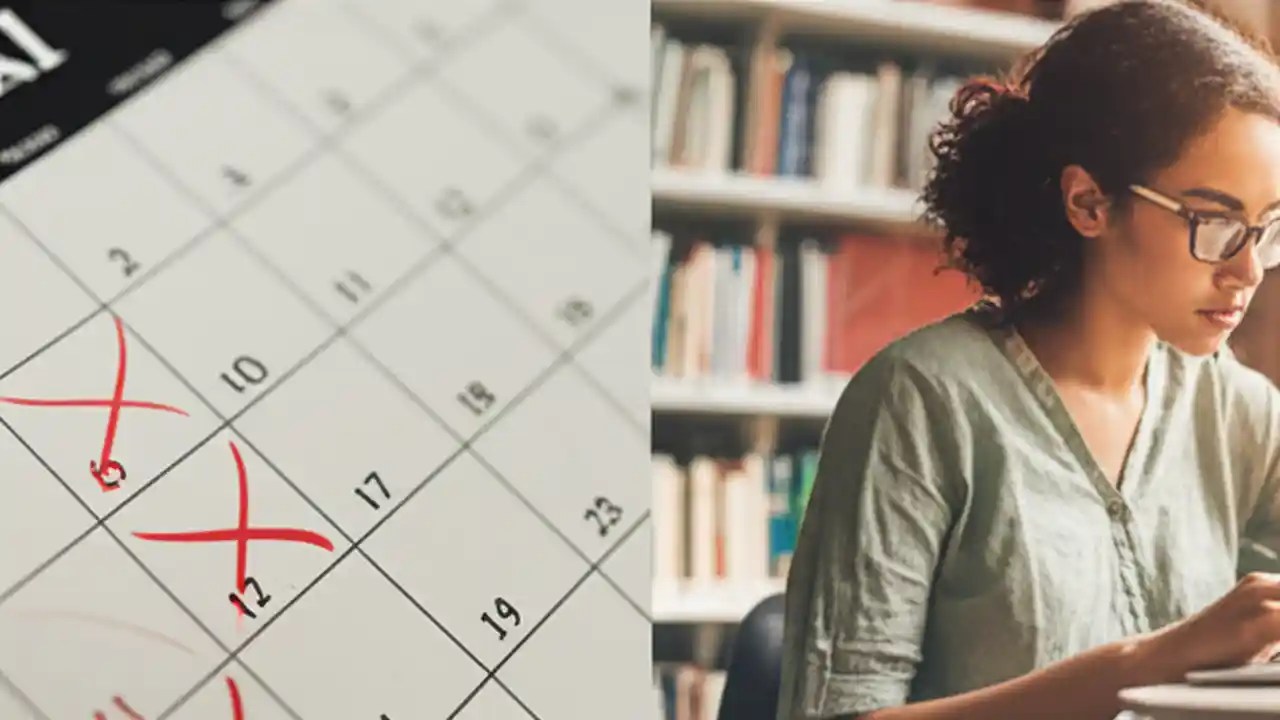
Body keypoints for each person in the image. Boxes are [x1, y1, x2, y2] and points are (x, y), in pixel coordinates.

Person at [775, 1, 1280, 718]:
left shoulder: (1245, 414)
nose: (1250, 270)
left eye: (1266, 228)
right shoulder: (921, 399)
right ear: (1088, 203)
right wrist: (1148, 664)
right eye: (1217, 223)